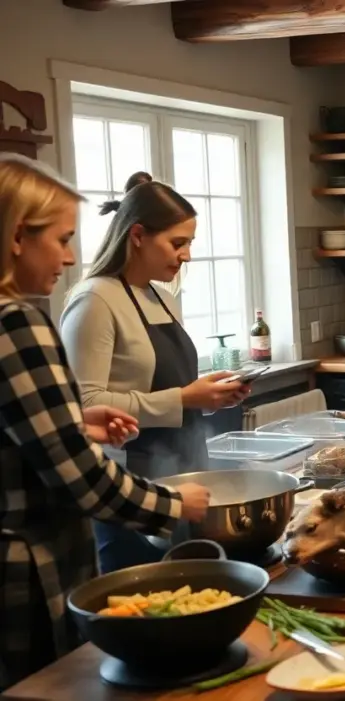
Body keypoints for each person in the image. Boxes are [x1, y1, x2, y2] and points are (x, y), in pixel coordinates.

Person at [0, 154, 210, 690]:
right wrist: (173, 504)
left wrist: (74, 419)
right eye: (61, 238)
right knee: (59, 684)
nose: (70, 257)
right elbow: (79, 475)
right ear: (18, 236)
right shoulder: (20, 322)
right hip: (31, 572)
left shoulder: (151, 297)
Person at [59, 174, 248, 573]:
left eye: (190, 243)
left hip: (186, 469)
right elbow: (82, 405)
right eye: (178, 243)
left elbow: (169, 391)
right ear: (139, 235)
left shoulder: (161, 298)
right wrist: (183, 399)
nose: (187, 256)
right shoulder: (95, 300)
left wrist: (210, 399)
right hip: (129, 481)